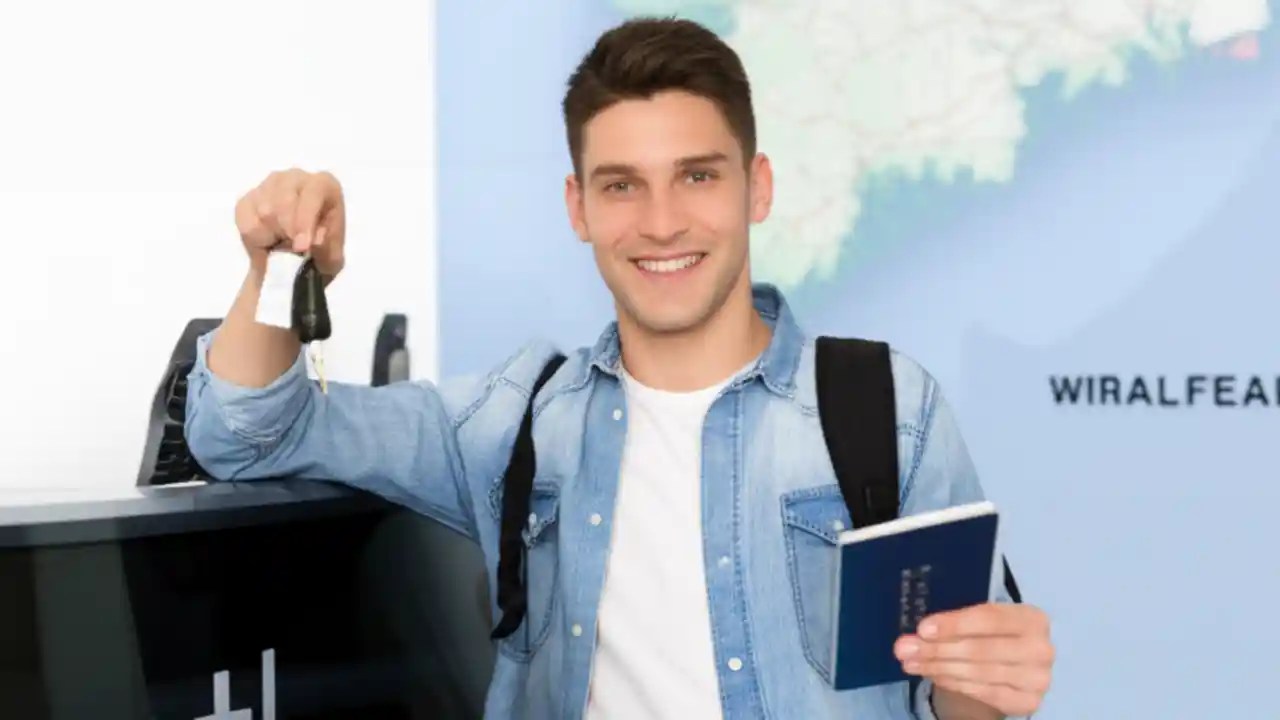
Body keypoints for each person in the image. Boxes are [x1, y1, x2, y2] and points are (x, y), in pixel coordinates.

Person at [185, 16, 1054, 720]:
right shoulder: (512, 421)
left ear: (757, 188)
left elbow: (962, 696)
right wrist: (283, 269)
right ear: (579, 207)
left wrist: (984, 687)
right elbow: (248, 433)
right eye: (621, 185)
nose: (663, 222)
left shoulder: (887, 410)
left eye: (698, 176)